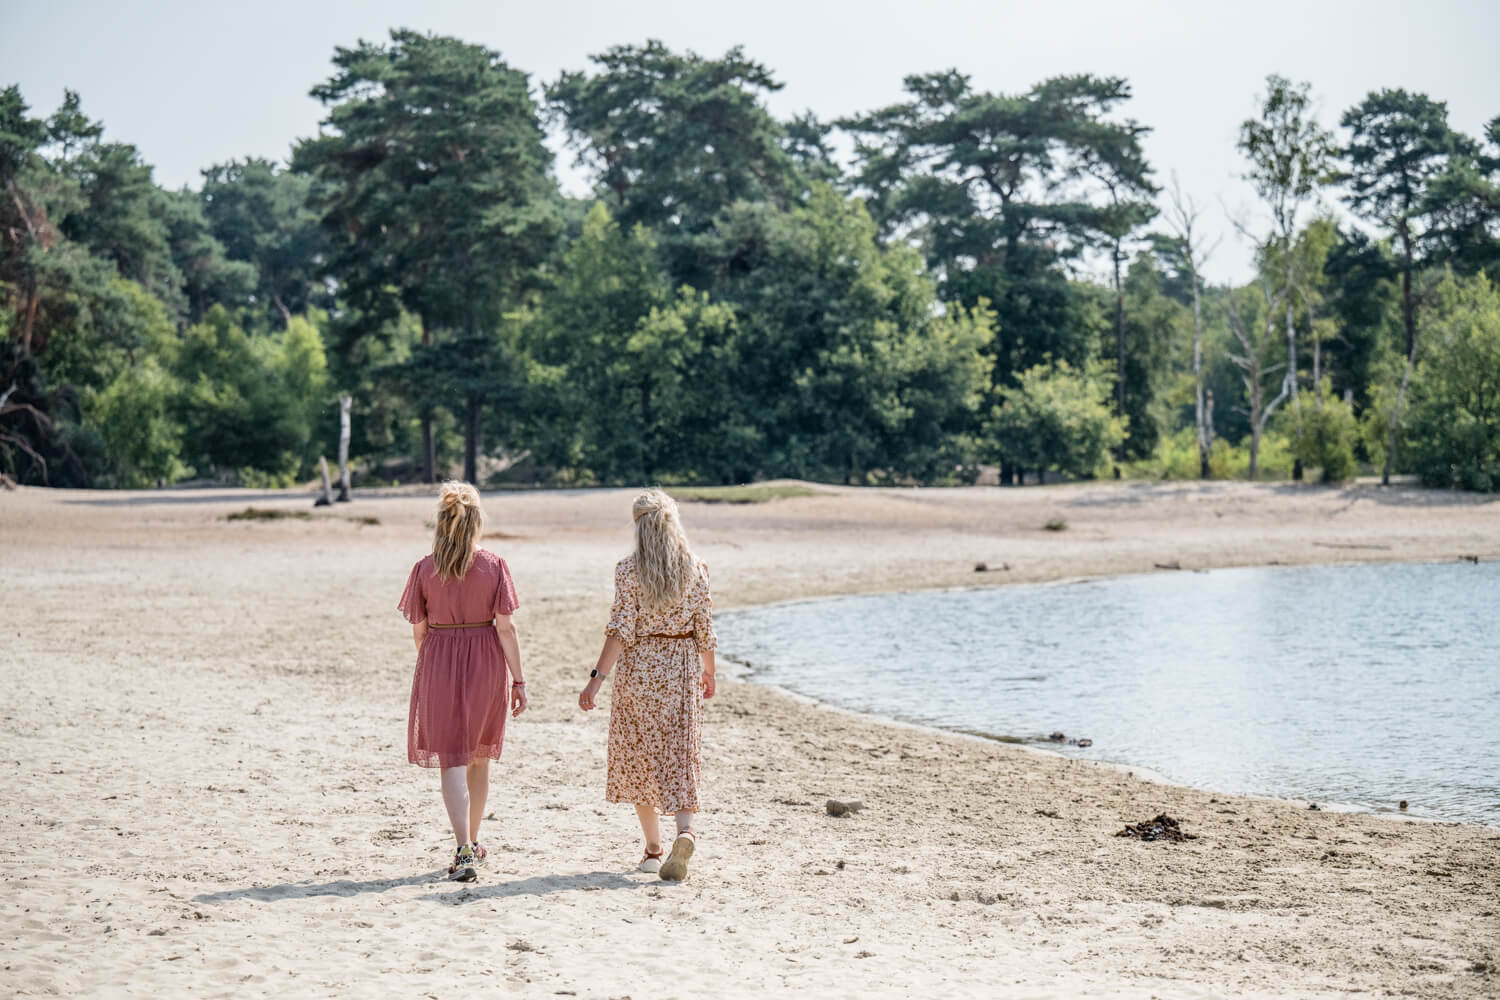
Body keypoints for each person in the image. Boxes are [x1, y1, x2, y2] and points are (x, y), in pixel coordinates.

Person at [579, 489, 716, 882]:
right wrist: (710, 672)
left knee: (640, 759)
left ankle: (654, 851)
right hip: (682, 669)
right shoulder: (696, 568)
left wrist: (596, 680)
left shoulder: (628, 570)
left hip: (640, 670)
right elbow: (704, 629)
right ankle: (685, 832)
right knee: (681, 755)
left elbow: (620, 630)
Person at [398, 481, 526, 882]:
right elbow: (506, 629)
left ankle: (462, 849)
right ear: (477, 522)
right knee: (480, 757)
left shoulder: (424, 568)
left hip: (439, 657)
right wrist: (519, 681)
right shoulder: (493, 565)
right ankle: (473, 841)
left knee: (452, 758)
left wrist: (438, 663)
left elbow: (419, 632)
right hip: (486, 660)